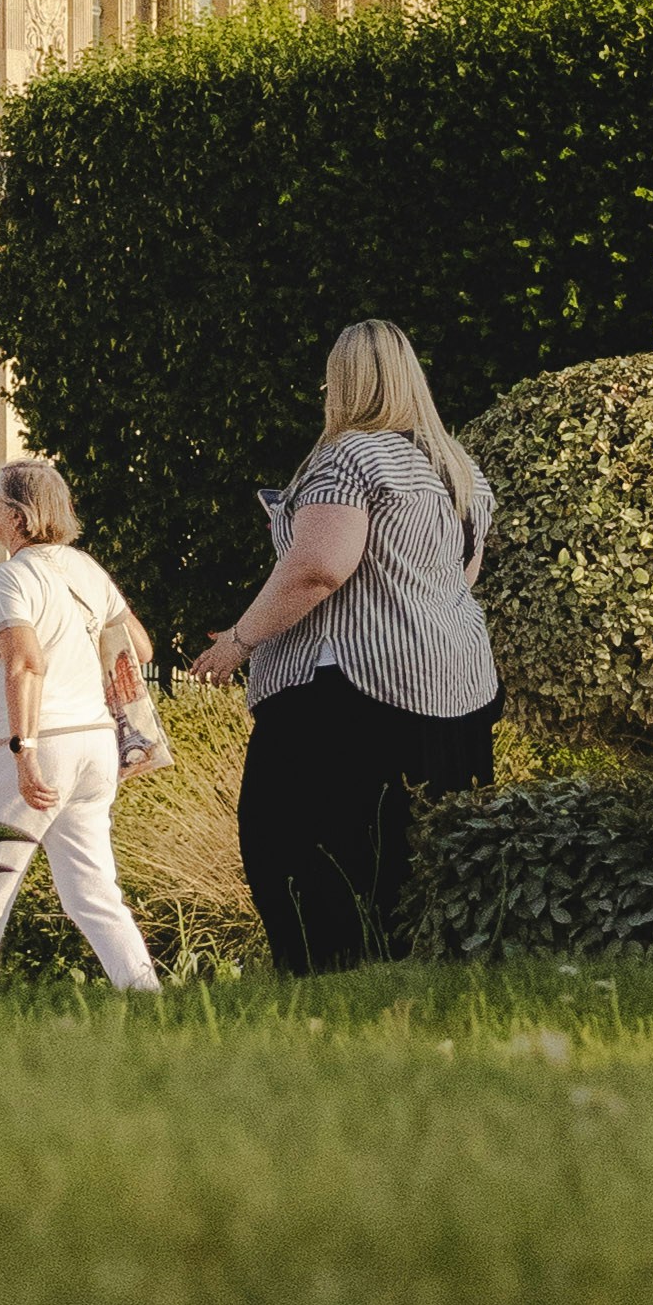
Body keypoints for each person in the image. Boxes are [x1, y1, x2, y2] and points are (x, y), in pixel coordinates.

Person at [187, 319, 501, 976]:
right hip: (458, 692)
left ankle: (326, 988)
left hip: (353, 693)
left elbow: (319, 567)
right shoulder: (458, 467)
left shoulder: (348, 457)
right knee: (422, 861)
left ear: (346, 381)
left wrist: (238, 643)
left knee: (291, 847)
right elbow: (460, 575)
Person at [0, 456, 163, 995]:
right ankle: (145, 994)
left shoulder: (10, 578)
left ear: (16, 517)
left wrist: (24, 751)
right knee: (93, 892)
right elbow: (140, 646)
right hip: (94, 746)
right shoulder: (84, 569)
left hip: (42, 742)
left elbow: (24, 661)